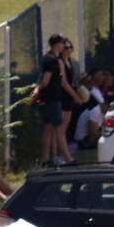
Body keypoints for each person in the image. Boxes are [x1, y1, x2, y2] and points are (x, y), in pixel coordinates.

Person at [36, 35, 71, 168]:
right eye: (63, 43)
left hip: (49, 99)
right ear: (57, 44)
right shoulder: (51, 60)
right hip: (52, 99)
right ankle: (68, 159)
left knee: (48, 128)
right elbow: (45, 81)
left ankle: (46, 158)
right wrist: (37, 90)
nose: (64, 46)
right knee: (59, 129)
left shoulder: (51, 59)